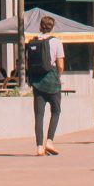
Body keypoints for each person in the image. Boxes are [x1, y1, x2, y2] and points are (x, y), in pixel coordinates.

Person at [27, 14, 65, 155]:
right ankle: (49, 141)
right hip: (52, 80)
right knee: (56, 111)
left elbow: (27, 63)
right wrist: (59, 75)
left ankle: (39, 147)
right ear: (52, 27)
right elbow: (60, 64)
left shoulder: (33, 42)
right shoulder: (56, 42)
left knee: (39, 115)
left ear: (40, 26)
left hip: (37, 81)